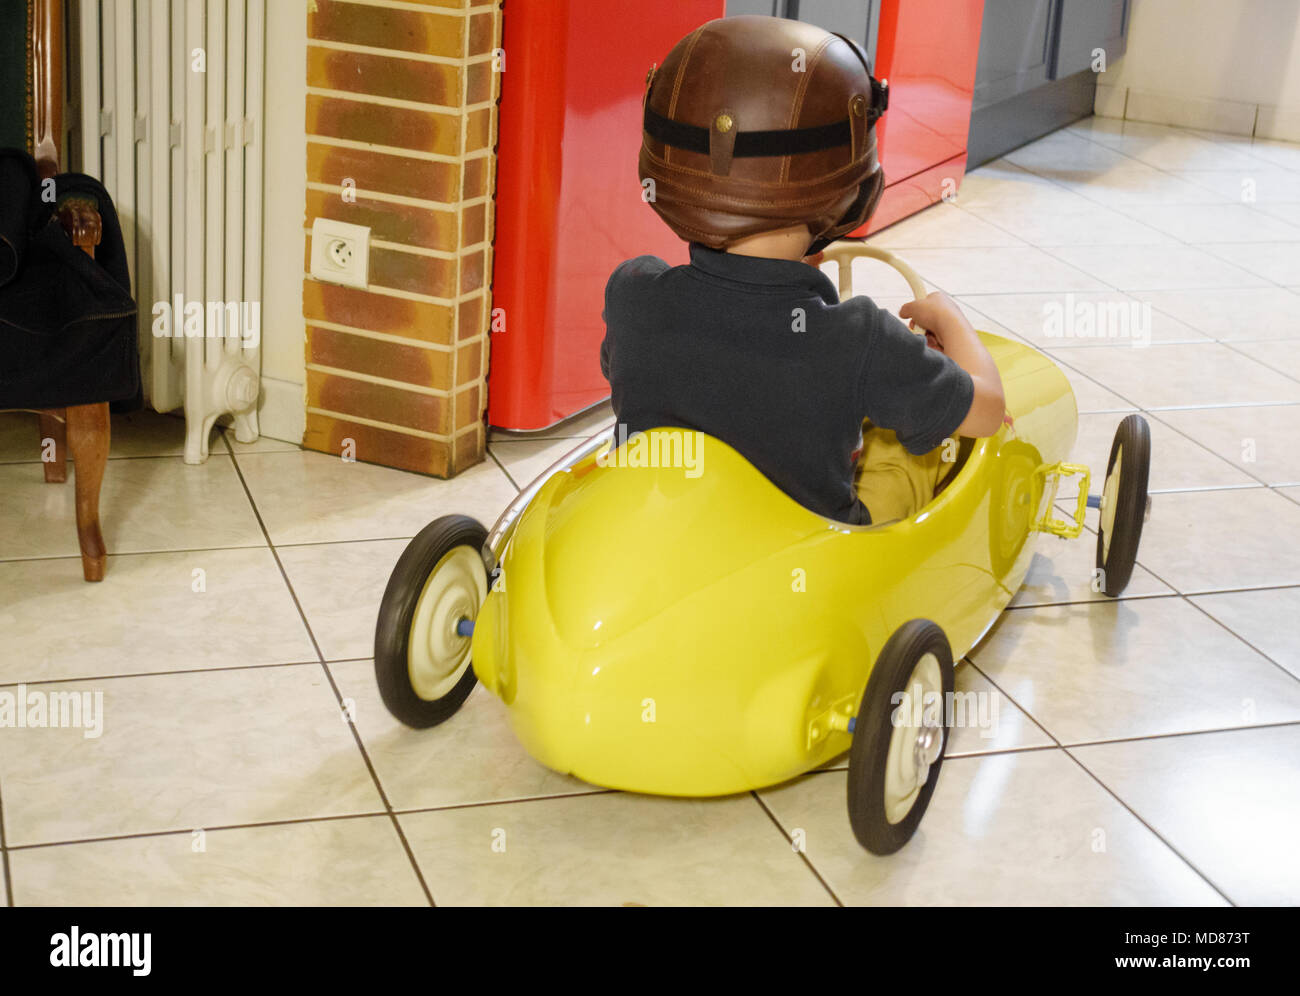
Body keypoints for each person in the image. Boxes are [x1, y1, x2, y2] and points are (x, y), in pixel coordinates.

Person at [601, 15, 1004, 525]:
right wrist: (950, 318)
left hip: (673, 533)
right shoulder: (863, 340)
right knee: (909, 454)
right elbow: (988, 412)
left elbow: (705, 366)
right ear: (847, 188)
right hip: (804, 555)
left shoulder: (632, 294)